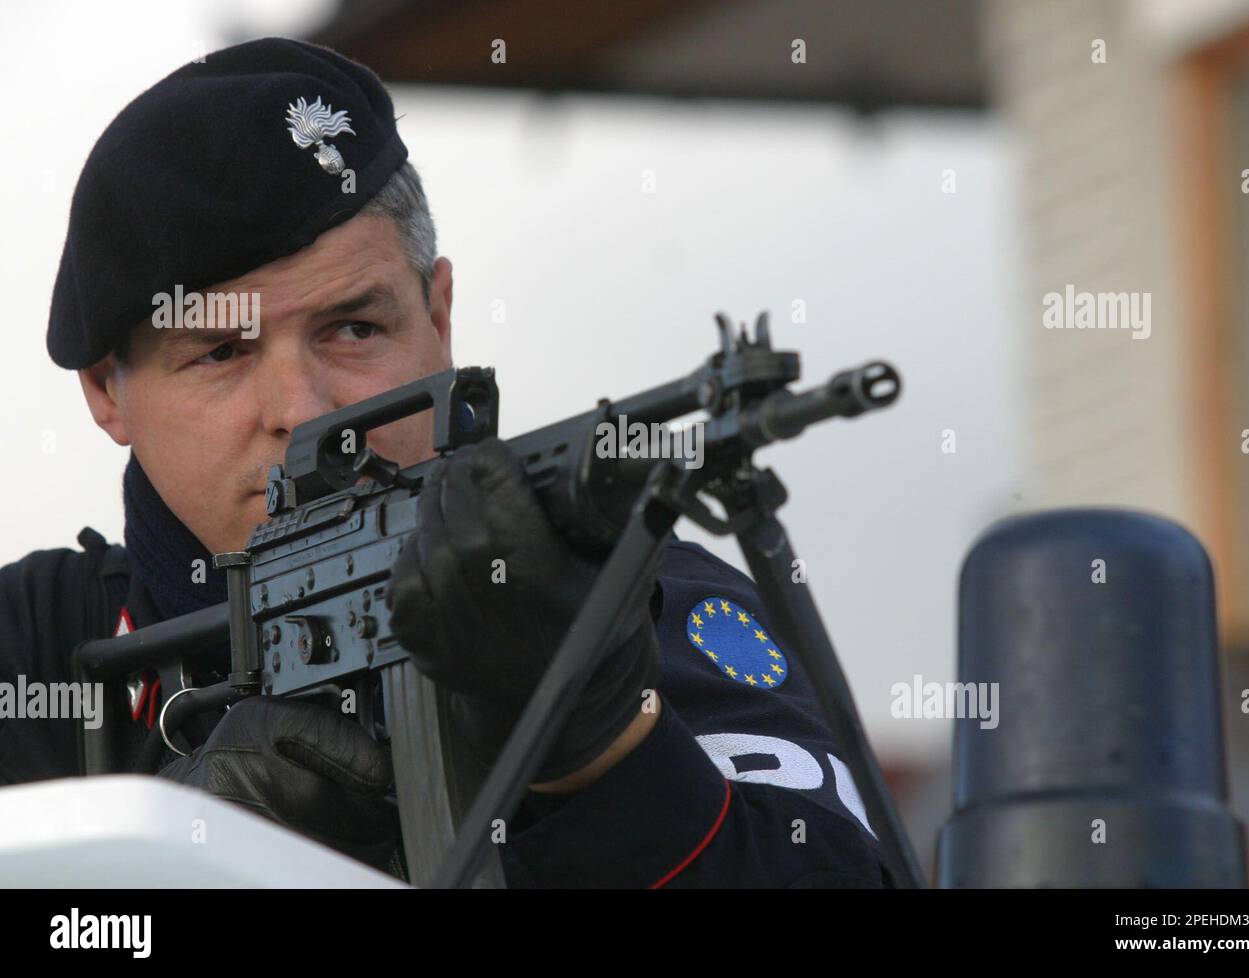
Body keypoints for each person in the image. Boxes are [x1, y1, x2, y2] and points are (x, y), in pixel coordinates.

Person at [0, 37, 890, 888]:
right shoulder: (38, 653)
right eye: (220, 355)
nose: (306, 411)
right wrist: (166, 859)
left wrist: (605, 752)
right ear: (105, 394)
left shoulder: (621, 604)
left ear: (441, 317)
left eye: (355, 329)